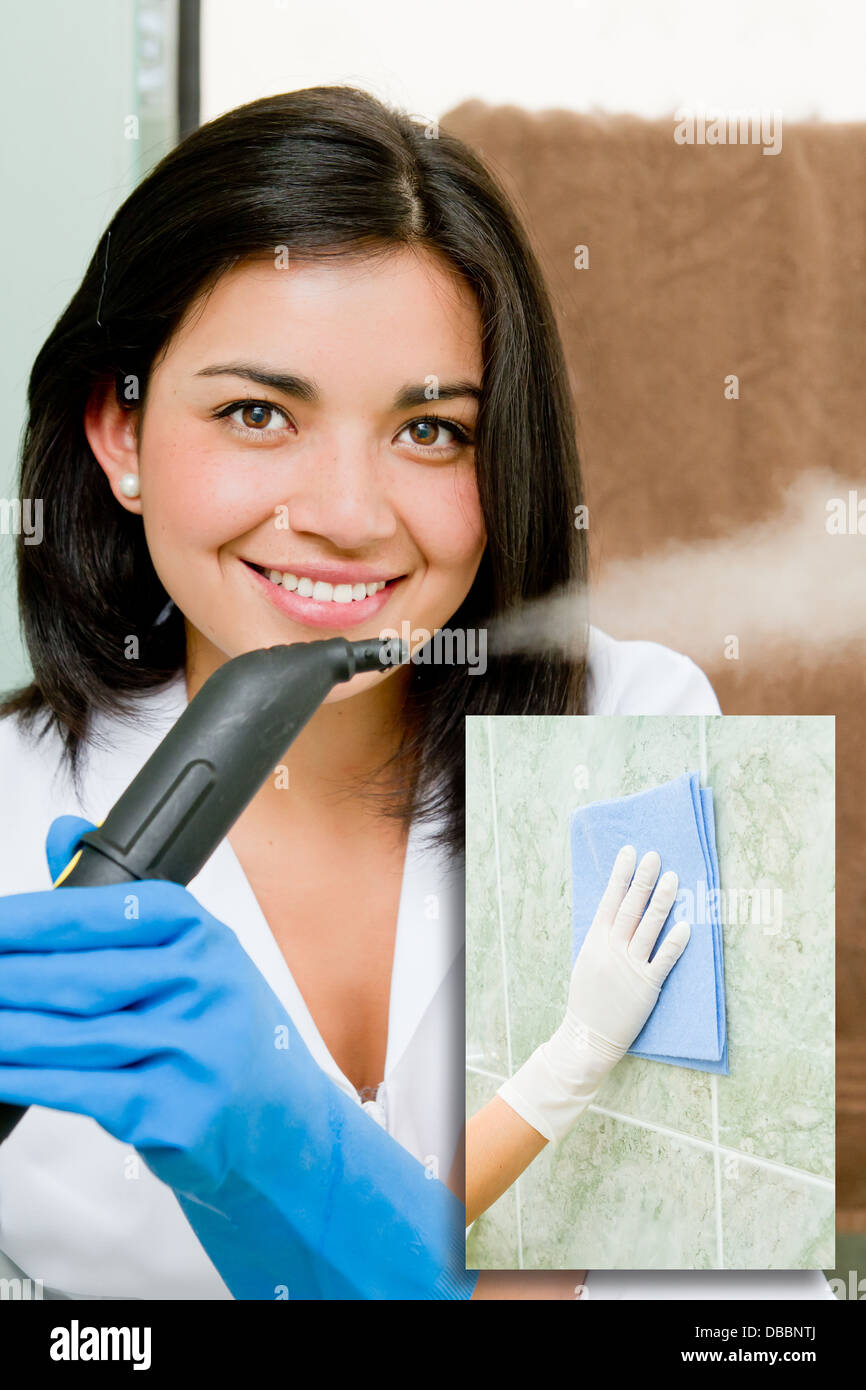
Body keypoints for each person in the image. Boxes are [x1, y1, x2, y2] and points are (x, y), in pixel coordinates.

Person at [0, 86, 829, 1300]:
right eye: (255, 412)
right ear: (118, 436)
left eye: (431, 430)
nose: (346, 516)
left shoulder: (637, 739)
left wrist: (297, 1165)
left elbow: (729, 1324)